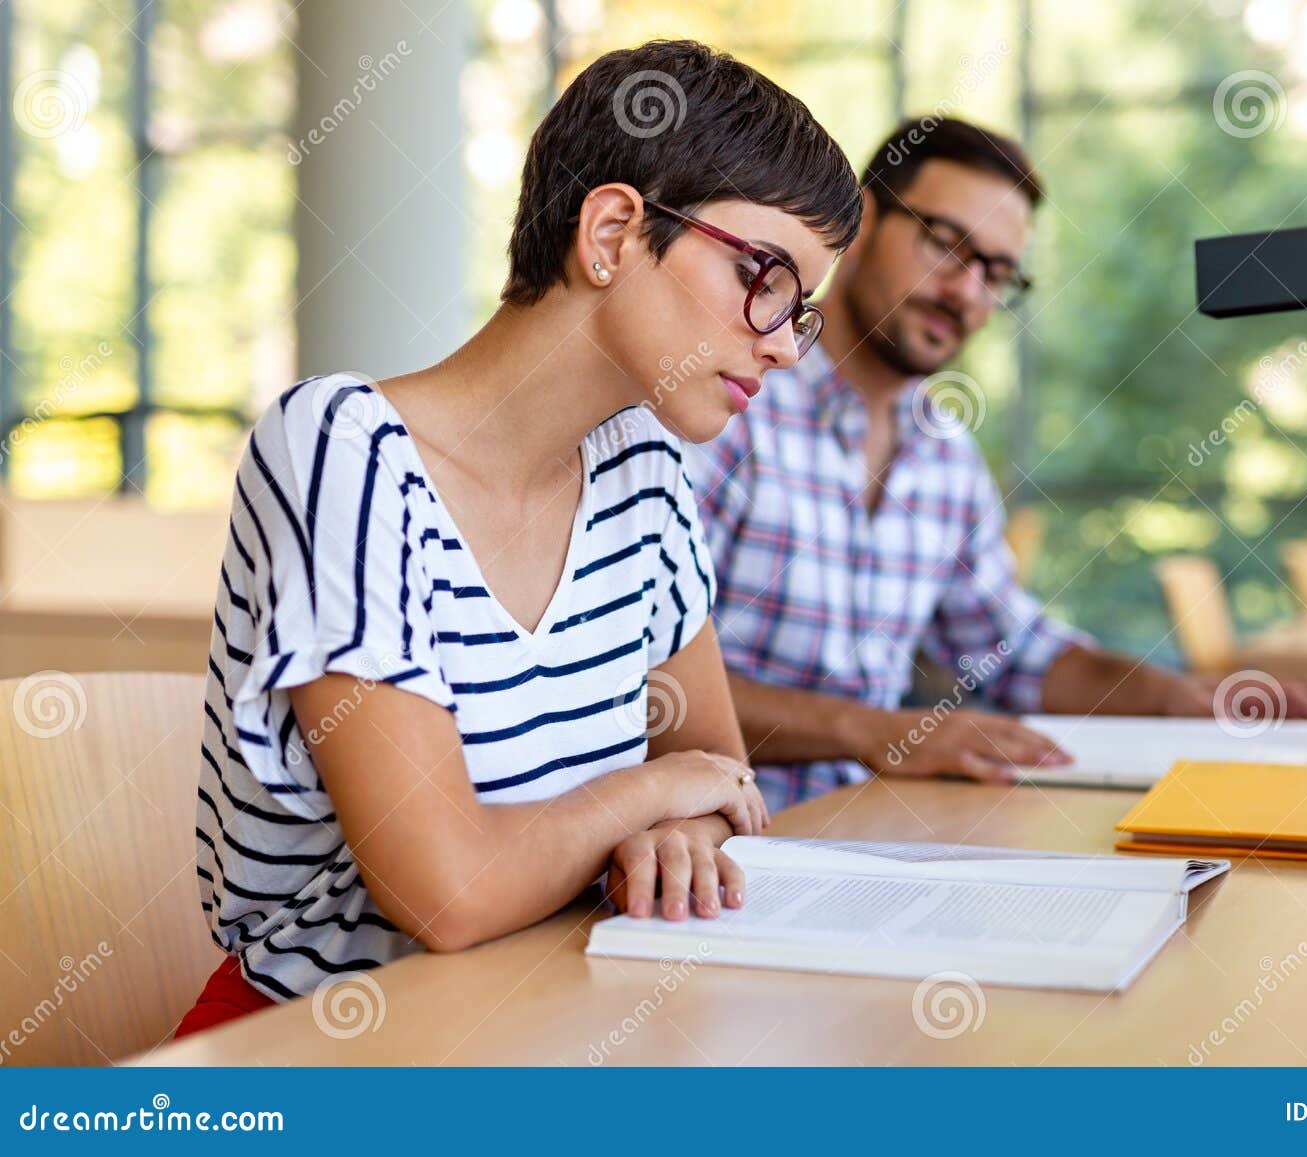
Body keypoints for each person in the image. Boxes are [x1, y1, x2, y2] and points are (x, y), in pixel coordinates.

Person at [177, 39, 861, 1033]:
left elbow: (725, 779)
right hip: (321, 1046)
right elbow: (447, 892)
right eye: (764, 277)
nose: (781, 344)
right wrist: (657, 789)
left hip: (556, 1020)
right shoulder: (342, 447)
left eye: (799, 309)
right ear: (616, 230)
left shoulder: (643, 472)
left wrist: (677, 818)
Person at [686, 116, 1307, 811]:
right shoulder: (727, 406)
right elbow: (646, 679)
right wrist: (877, 732)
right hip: (708, 854)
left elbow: (1018, 652)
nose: (968, 292)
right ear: (864, 217)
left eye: (998, 273)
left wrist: (1178, 698)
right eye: (946, 245)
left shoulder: (946, 460)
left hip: (860, 844)